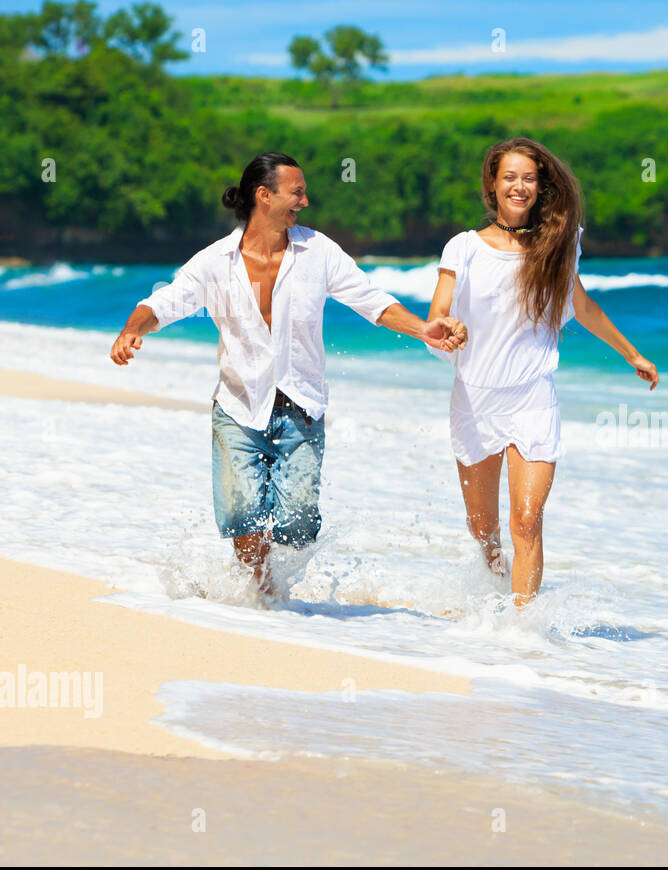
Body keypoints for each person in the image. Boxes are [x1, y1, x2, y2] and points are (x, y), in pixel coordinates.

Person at [109, 151, 466, 600]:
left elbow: (372, 301)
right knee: (242, 513)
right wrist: (131, 330)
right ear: (265, 195)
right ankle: (260, 597)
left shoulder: (318, 252)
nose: (306, 201)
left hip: (302, 407)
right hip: (238, 406)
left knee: (298, 522)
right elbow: (161, 304)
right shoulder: (215, 261)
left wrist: (424, 331)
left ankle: (272, 587)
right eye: (297, 192)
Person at [427, 137, 658, 608]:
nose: (519, 186)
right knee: (482, 527)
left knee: (528, 520)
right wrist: (446, 327)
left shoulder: (558, 242)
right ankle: (493, 583)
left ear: (540, 186)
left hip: (532, 398)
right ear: (493, 185)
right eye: (509, 177)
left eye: (529, 178)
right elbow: (438, 312)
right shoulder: (464, 247)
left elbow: (582, 305)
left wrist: (630, 353)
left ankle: (521, 629)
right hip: (475, 399)